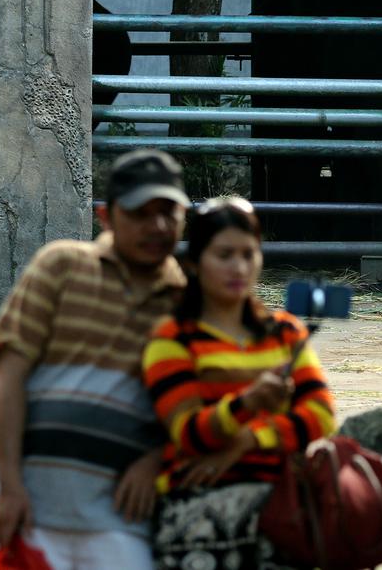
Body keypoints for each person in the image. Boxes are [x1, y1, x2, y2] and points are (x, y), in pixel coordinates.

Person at [0, 150, 191, 569]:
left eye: (169, 212)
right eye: (141, 214)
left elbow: (195, 408)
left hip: (119, 520)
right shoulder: (60, 265)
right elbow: (9, 377)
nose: (159, 226)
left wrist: (156, 461)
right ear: (106, 217)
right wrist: (10, 487)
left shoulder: (188, 301)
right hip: (27, 507)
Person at [142, 196, 336, 568]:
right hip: (195, 518)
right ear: (195, 263)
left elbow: (321, 415)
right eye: (225, 254)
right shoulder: (171, 339)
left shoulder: (286, 332)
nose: (239, 267)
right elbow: (189, 434)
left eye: (249, 254)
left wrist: (247, 438)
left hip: (281, 513)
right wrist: (246, 402)